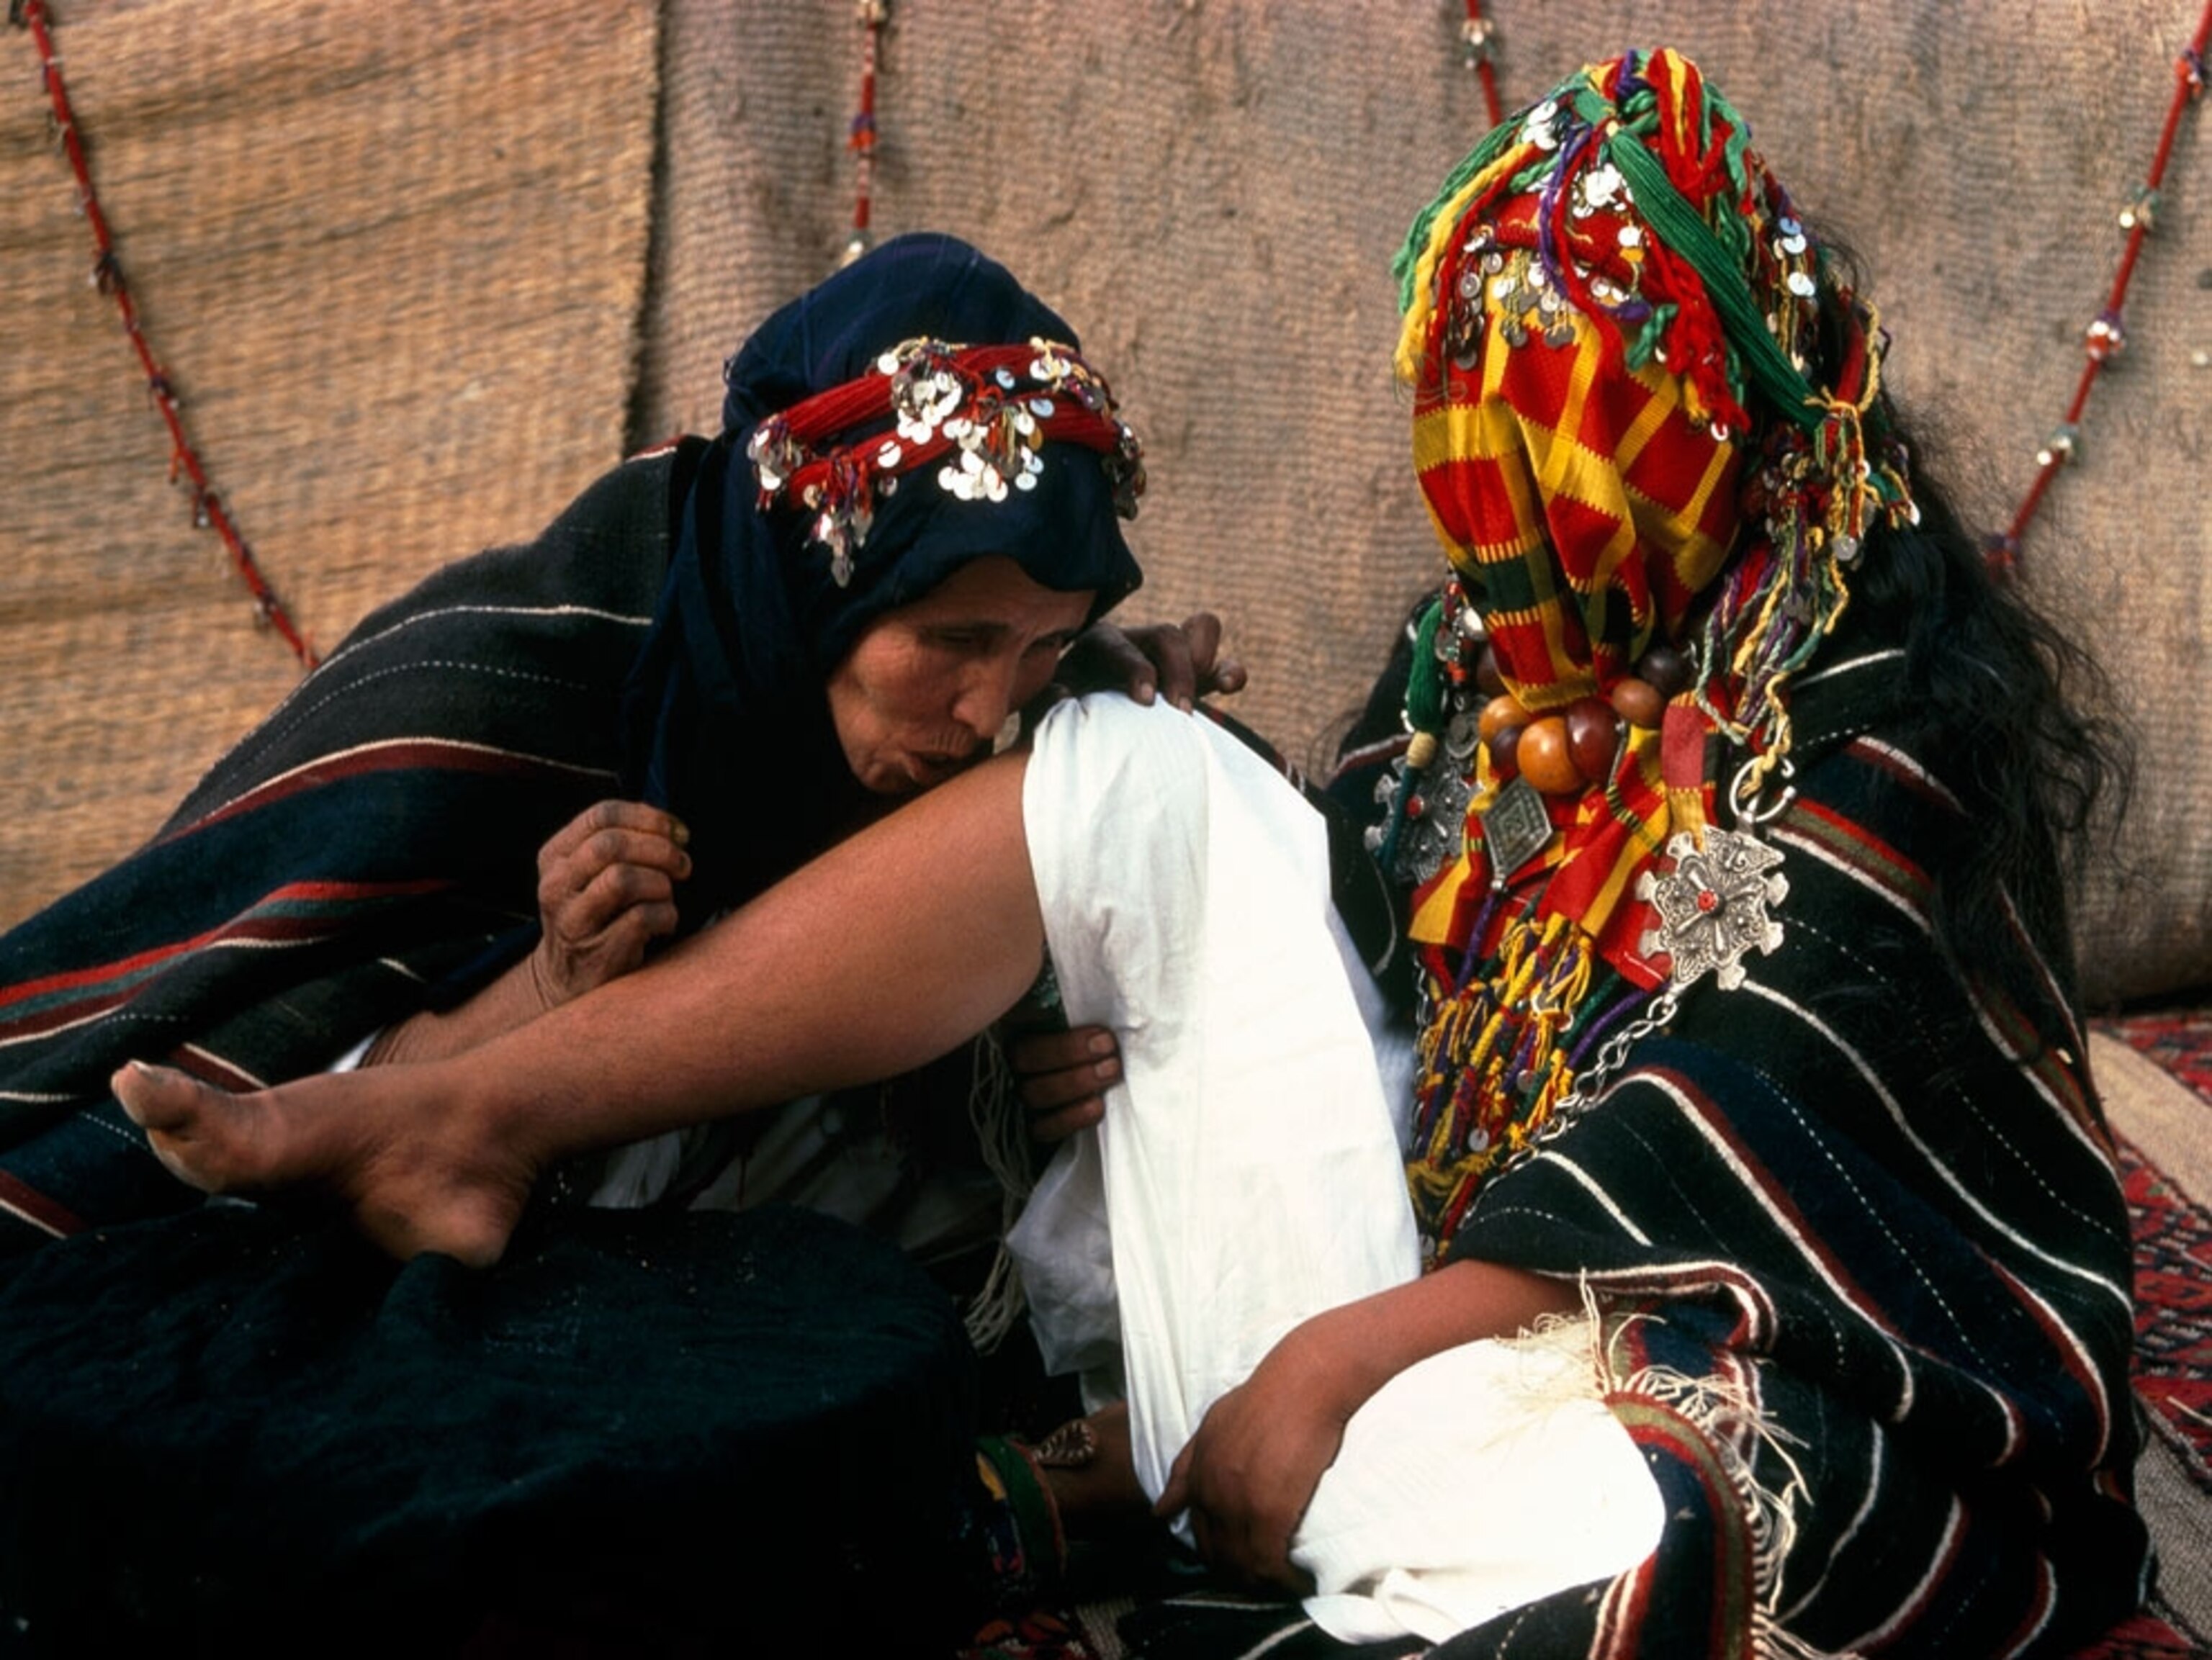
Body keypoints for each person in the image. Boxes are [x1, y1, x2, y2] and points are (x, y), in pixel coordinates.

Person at [99, 49, 2148, 1656]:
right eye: (1481, 471)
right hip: (1348, 1279)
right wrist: (1133, 901)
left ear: (1695, 428)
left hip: (1601, 1327)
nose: (1508, 543)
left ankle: (1183, 1496)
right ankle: (465, 1127)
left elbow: (1744, 1130)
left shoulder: (1870, 710)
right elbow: (1339, 942)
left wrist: (1344, 1349)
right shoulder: (1501, 649)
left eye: (1560, 472)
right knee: (1145, 791)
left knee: (1665, 1517)